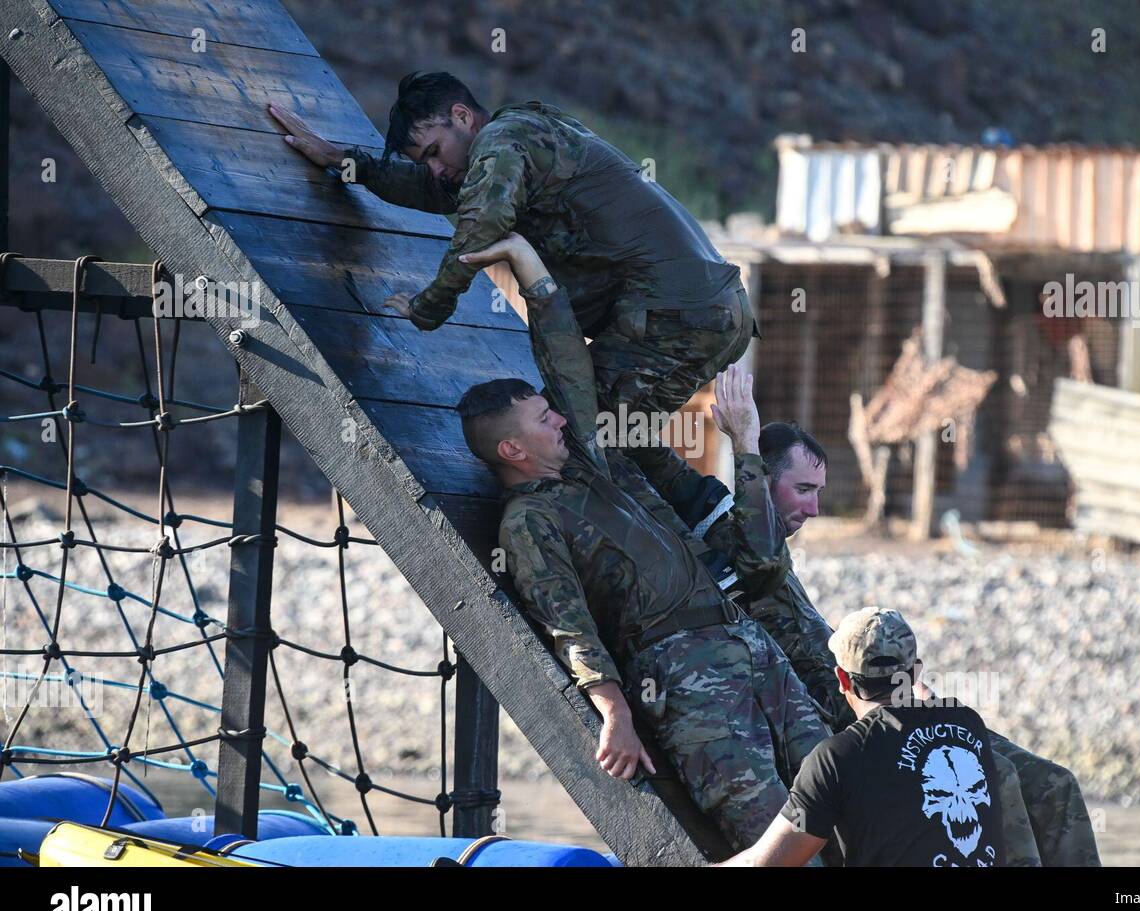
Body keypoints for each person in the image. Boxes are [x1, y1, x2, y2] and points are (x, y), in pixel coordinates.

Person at [449, 233, 827, 850]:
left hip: (747, 643)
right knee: (773, 841)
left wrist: (534, 276)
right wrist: (614, 710)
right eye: (545, 421)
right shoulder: (530, 522)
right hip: (686, 675)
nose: (562, 419)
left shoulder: (595, 465)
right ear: (513, 450)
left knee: (841, 804)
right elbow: (564, 619)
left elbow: (568, 368)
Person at [637, 421, 1098, 865]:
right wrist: (743, 438)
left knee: (1055, 784)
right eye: (803, 490)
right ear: (761, 479)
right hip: (841, 716)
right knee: (1001, 776)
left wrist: (914, 694)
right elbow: (650, 459)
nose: (815, 509)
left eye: (818, 492)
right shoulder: (727, 537)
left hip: (885, 695)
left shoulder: (772, 542)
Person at [268, 71, 754, 419]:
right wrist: (346, 161)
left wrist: (429, 306)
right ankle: (711, 530)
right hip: (713, 311)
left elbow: (482, 222)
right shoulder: (528, 137)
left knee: (571, 432)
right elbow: (436, 189)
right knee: (621, 442)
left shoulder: (504, 139)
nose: (435, 168)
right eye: (426, 160)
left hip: (671, 313)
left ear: (462, 115)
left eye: (435, 151)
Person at [719, 607, 1006, 867]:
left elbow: (764, 863)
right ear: (916, 672)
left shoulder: (836, 758)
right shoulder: (968, 723)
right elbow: (927, 702)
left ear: (842, 679)